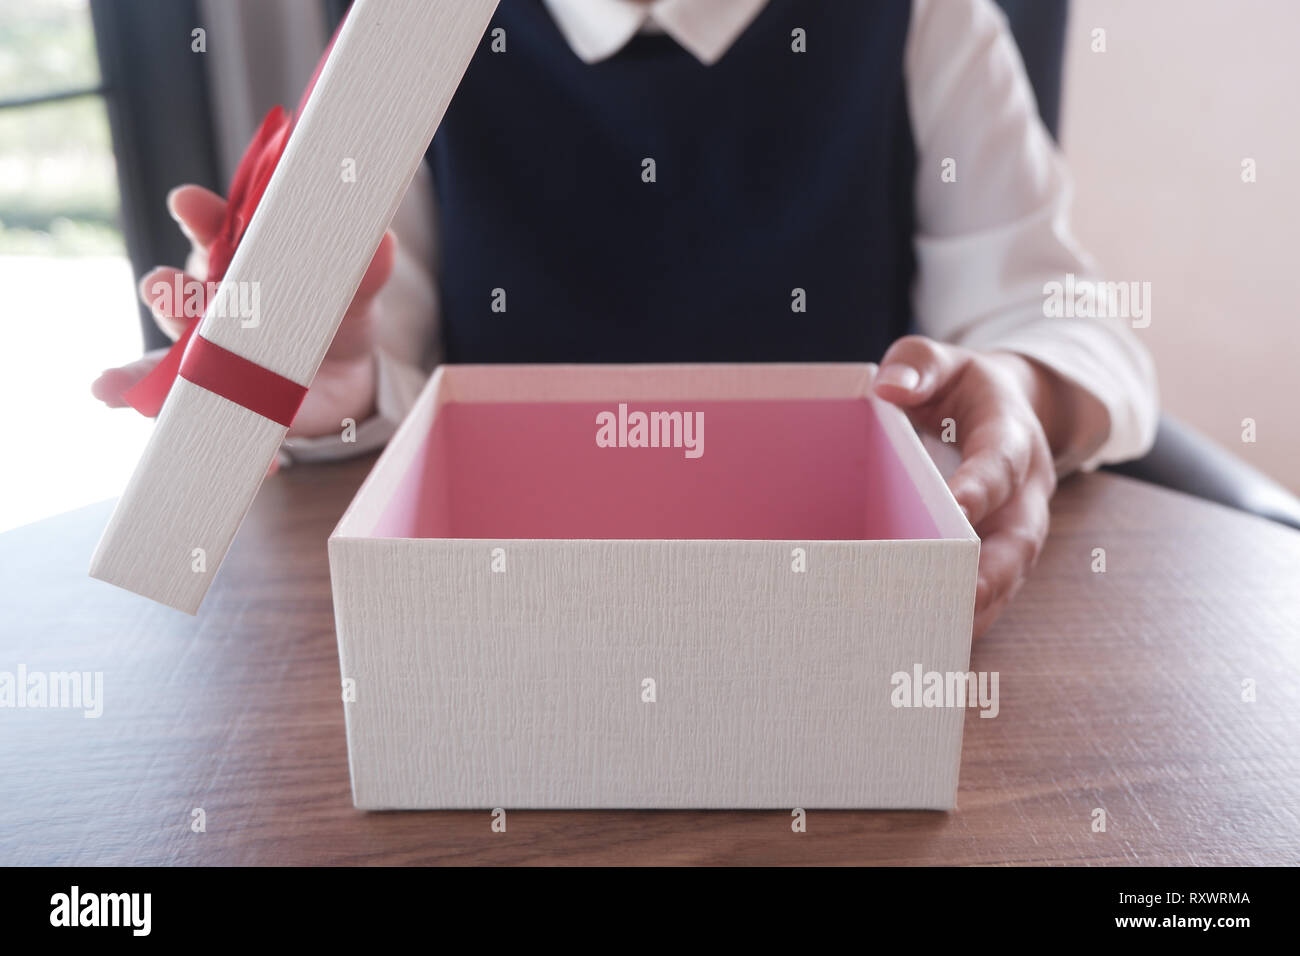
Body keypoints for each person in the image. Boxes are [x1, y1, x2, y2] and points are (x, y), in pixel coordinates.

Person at [93, 0, 1158, 638]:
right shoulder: (414, 39)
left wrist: (1019, 388)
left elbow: (1063, 321)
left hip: (838, 614)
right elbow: (386, 382)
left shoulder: (920, 18)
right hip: (516, 625)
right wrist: (341, 396)